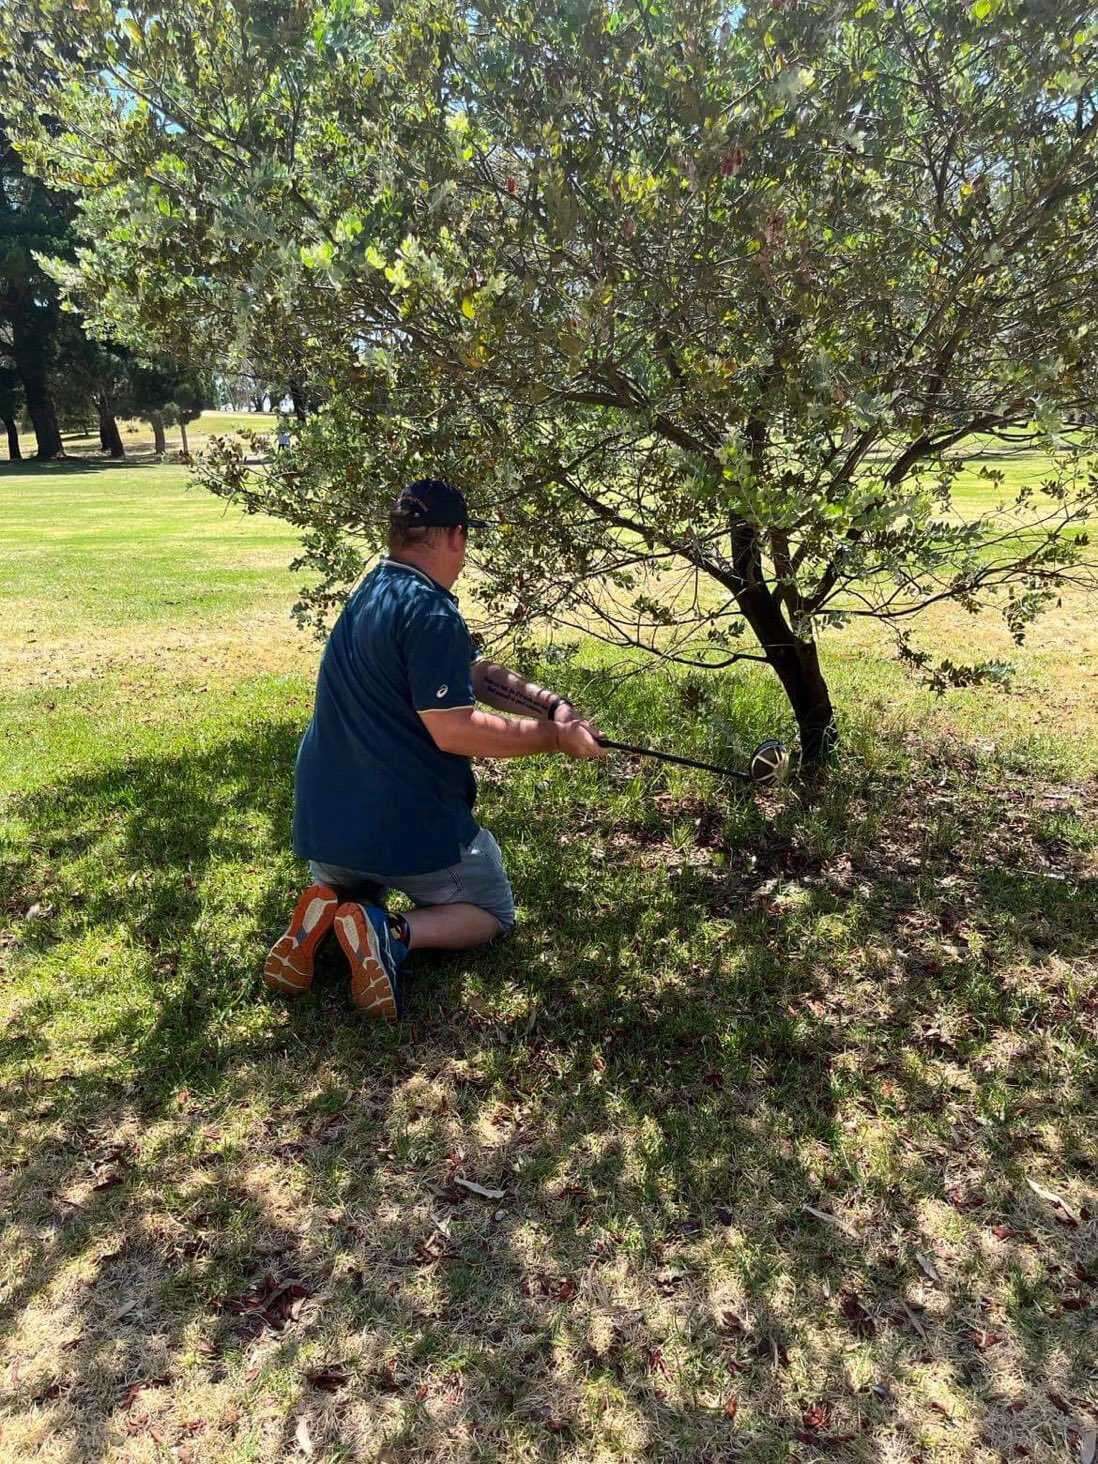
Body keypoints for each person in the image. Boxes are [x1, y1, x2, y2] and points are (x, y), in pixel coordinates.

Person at [264, 477, 606, 1018]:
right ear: (455, 536)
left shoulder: (374, 592)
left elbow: (470, 673)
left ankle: (332, 907)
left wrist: (552, 707)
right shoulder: (430, 612)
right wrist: (555, 739)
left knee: (354, 889)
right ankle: (389, 931)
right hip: (404, 826)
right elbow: (455, 729)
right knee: (492, 911)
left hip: (325, 829)